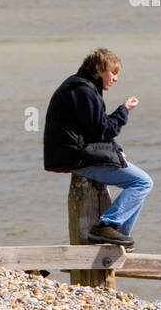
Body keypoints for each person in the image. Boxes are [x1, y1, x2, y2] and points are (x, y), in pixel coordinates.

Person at [43, 48, 152, 248]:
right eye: (114, 72)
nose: (116, 78)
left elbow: (95, 129)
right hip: (76, 157)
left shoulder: (81, 87)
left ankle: (116, 238)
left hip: (74, 153)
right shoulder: (82, 90)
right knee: (142, 182)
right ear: (98, 69)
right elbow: (102, 130)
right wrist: (124, 110)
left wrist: (115, 149)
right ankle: (107, 227)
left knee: (138, 180)